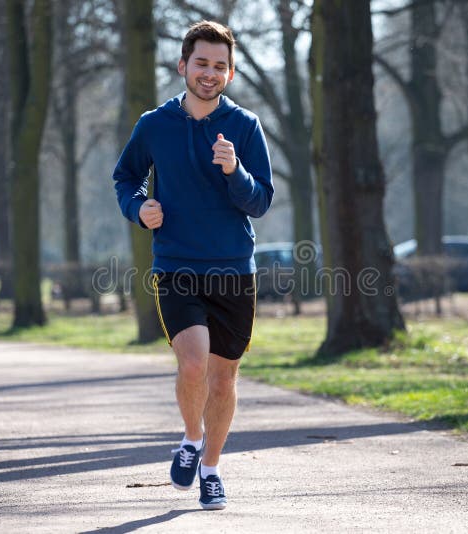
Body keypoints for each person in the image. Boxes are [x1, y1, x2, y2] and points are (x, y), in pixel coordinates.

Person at [112, 20, 274, 510]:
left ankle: (210, 467)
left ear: (230, 73)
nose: (210, 72)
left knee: (223, 379)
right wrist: (138, 208)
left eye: (219, 66)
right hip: (177, 265)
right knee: (194, 363)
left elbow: (260, 201)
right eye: (201, 62)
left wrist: (235, 170)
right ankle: (191, 436)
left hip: (233, 269)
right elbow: (126, 178)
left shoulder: (245, 126)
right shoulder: (154, 125)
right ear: (183, 65)